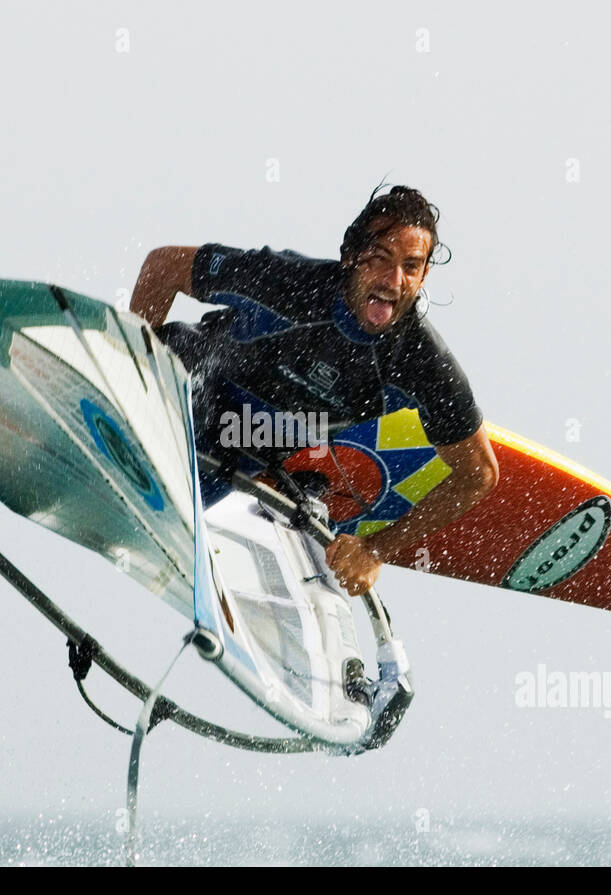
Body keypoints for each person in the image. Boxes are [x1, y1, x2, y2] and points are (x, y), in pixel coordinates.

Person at [129, 184, 498, 597]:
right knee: (182, 420)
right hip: (189, 380)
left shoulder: (419, 362)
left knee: (147, 520)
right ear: (352, 256)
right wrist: (130, 367)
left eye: (411, 266)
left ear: (424, 274)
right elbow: (164, 266)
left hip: (243, 450)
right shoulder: (291, 283)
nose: (394, 281)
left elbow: (478, 473)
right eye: (380, 259)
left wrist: (375, 550)